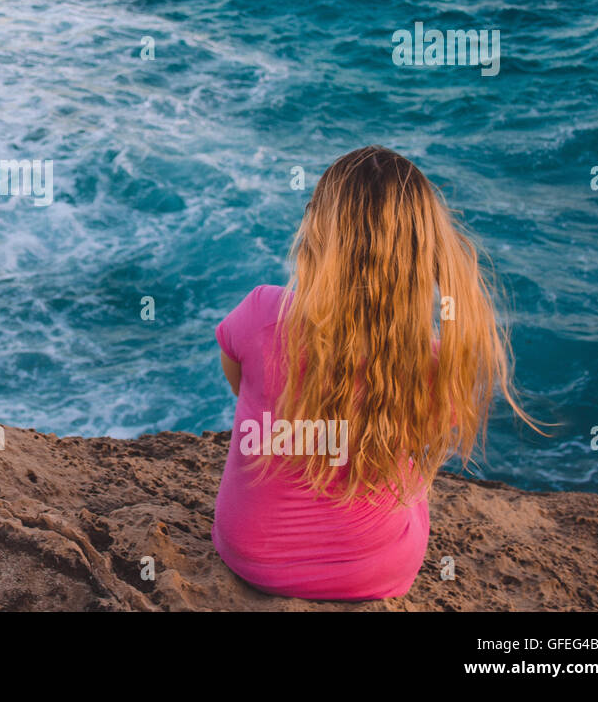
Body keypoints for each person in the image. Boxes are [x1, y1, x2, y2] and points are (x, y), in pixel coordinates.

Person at [212, 145, 538, 600]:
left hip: (250, 555)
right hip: (373, 572)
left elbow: (237, 376)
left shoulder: (263, 311)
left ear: (317, 230)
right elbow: (421, 440)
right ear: (426, 252)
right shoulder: (436, 361)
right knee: (404, 472)